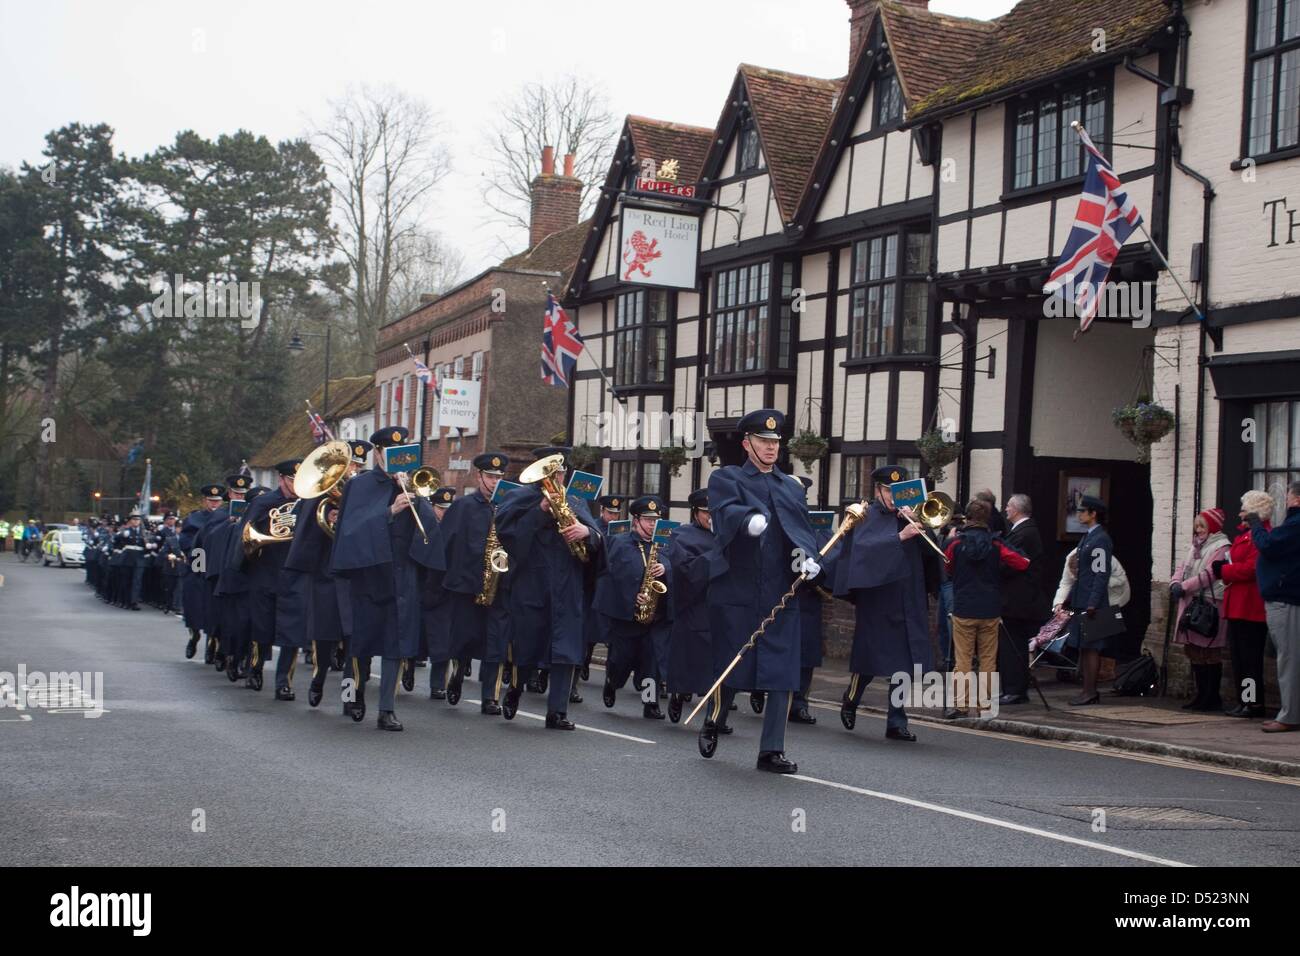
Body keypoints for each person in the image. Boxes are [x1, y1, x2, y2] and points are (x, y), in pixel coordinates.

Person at [702, 409, 823, 774]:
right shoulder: (727, 478)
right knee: (734, 663)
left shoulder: (791, 486)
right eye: (763, 441)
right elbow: (723, 511)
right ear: (747, 443)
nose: (771, 448)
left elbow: (803, 531)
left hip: (780, 590)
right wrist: (744, 521)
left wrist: (811, 559)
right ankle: (715, 717)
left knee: (782, 672)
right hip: (739, 588)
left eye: (775, 442)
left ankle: (771, 749)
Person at [331, 427, 445, 731]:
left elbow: (429, 530)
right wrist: (389, 512)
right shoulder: (361, 486)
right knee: (359, 644)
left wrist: (416, 499)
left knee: (396, 643)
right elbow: (350, 531)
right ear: (378, 453)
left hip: (401, 576)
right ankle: (350, 697)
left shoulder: (412, 484)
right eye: (388, 453)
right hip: (368, 576)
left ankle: (386, 709)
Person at [494, 445, 605, 730]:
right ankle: (516, 689)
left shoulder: (577, 502)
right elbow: (509, 539)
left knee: (566, 650)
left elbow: (600, 543)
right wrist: (540, 512)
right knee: (527, 646)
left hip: (568, 586)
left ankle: (557, 711)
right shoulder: (519, 499)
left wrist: (588, 533)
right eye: (551, 471)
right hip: (533, 584)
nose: (557, 476)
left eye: (560, 471)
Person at [834, 464, 938, 742]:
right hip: (879, 598)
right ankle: (852, 698)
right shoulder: (866, 516)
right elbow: (863, 552)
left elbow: (932, 556)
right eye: (889, 492)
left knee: (904, 663)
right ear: (878, 490)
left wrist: (924, 527)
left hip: (908, 596)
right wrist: (900, 537)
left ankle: (896, 721)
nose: (894, 498)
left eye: (899, 492)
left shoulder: (910, 515)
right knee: (871, 658)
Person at [286, 441, 366, 712]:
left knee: (355, 644)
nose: (353, 471)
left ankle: (349, 699)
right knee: (324, 638)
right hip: (327, 576)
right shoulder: (320, 496)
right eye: (351, 465)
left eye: (357, 466)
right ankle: (318, 678)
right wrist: (327, 523)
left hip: (355, 578)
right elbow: (306, 535)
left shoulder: (365, 493)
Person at [436, 453, 511, 715]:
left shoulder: (509, 507)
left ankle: (489, 696)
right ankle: (458, 671)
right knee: (464, 637)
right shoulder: (464, 506)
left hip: (500, 586)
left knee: (497, 642)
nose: (494, 482)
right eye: (490, 477)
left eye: (499, 478)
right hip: (467, 585)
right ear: (479, 476)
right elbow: (445, 544)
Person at [941, 498, 1030, 718]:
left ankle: (961, 706)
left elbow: (947, 567)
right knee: (988, 660)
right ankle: (985, 706)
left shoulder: (955, 543)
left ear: (967, 517)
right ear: (987, 518)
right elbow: (1022, 562)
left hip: (963, 607)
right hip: (990, 608)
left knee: (963, 660)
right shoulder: (996, 544)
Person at [595, 495, 672, 720]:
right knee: (622, 660)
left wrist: (664, 567)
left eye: (656, 520)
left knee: (652, 663)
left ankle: (650, 703)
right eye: (648, 520)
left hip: (654, 616)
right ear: (636, 520)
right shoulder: (619, 543)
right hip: (626, 617)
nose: (653, 525)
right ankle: (612, 681)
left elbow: (677, 563)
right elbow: (610, 579)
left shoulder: (664, 543)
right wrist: (632, 598)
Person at [235, 460, 305, 699]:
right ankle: (255, 668)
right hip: (265, 572)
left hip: (295, 574)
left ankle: (284, 681)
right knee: (261, 626)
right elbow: (245, 537)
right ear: (282, 479)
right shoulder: (263, 502)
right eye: (294, 479)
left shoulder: (308, 504)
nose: (298, 485)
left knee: (293, 631)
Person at [1212, 491, 1273, 718]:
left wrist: (1224, 570)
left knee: (1250, 659)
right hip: (1238, 602)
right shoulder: (1244, 536)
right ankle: (1244, 700)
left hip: (1250, 605)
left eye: (1245, 509)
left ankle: (1253, 703)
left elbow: (1251, 568)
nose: (1240, 513)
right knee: (1238, 657)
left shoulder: (1260, 536)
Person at [1246, 480, 1300, 733]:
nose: (1285, 499)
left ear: (1297, 499)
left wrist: (1255, 523)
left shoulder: (1296, 524)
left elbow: (1268, 546)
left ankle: (1289, 716)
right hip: (1287, 597)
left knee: (1288, 659)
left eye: (1288, 495)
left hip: (1287, 598)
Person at [1169, 508, 1231, 711]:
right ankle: (1200, 695)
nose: (1198, 530)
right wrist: (1175, 582)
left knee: (1209, 652)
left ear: (1212, 527)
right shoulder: (1194, 547)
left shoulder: (1221, 547)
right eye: (1197, 526)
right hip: (1192, 604)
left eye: (1202, 525)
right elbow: (1182, 567)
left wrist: (1184, 587)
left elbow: (1209, 574)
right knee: (1194, 651)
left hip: (1209, 606)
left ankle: (1212, 697)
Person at [664, 489, 715, 724]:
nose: (711, 516)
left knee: (715, 663)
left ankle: (715, 716)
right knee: (687, 657)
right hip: (693, 604)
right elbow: (685, 571)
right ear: (696, 513)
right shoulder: (681, 535)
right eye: (706, 512)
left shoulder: (727, 536)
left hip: (719, 606)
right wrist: (716, 557)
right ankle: (678, 692)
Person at [1063, 495, 1114, 706]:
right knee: (1084, 647)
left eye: (1083, 511)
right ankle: (1086, 689)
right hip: (1082, 599)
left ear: (1093, 514)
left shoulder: (1100, 539)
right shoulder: (1088, 537)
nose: (1079, 514)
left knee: (1091, 647)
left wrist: (1092, 602)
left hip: (1092, 602)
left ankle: (1090, 691)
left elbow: (1101, 574)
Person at [998, 493, 1048, 704]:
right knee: (1012, 645)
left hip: (1018, 601)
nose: (1006, 509)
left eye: (1008, 506)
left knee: (1013, 646)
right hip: (1016, 600)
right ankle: (1013, 688)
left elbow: (1010, 565)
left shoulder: (1024, 534)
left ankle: (1015, 690)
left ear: (1017, 509)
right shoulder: (1022, 531)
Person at [180, 484, 224, 661]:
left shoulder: (225, 518)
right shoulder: (194, 519)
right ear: (204, 500)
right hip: (198, 566)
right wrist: (199, 564)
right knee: (194, 607)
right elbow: (186, 542)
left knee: (214, 611)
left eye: (217, 501)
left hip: (216, 566)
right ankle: (194, 636)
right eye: (210, 501)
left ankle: (212, 645)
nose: (214, 505)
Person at [422, 485, 456, 699]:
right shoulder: (425, 525)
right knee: (417, 637)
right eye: (440, 508)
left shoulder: (453, 528)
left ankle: (438, 685)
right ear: (432, 507)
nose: (444, 513)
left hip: (445, 589)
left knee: (442, 640)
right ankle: (407, 669)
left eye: (448, 509)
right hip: (425, 588)